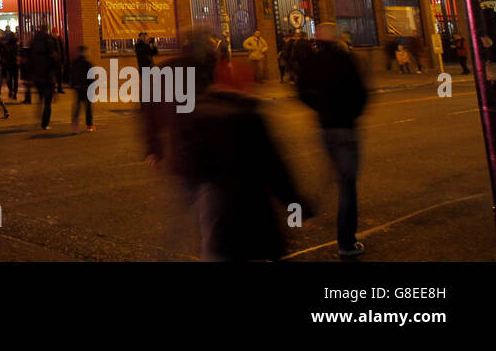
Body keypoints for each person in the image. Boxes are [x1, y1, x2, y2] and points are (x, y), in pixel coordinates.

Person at [143, 26, 312, 261]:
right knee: (209, 222)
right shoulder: (240, 113)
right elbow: (274, 167)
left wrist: (154, 148)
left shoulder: (171, 75)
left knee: (194, 223)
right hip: (227, 193)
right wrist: (298, 208)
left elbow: (149, 110)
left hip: (187, 162)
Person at [298, 21, 369, 259]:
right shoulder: (345, 59)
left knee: (334, 174)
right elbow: (361, 92)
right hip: (345, 128)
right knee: (347, 185)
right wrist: (352, 113)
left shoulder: (312, 61)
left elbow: (300, 91)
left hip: (326, 127)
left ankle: (311, 211)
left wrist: (319, 109)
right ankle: (346, 241)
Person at [30, 25, 61, 129]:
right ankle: (45, 123)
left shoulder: (34, 41)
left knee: (40, 97)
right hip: (48, 76)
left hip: (37, 75)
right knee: (48, 102)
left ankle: (38, 115)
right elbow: (54, 59)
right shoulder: (49, 41)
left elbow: (30, 58)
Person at [70, 45, 95, 133]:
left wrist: (73, 85)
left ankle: (75, 126)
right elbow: (91, 77)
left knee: (77, 107)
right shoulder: (88, 63)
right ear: (84, 52)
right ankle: (89, 125)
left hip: (78, 87)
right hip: (86, 88)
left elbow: (71, 75)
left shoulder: (74, 63)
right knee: (88, 107)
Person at [2, 29, 20, 100]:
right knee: (15, 79)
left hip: (8, 64)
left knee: (9, 78)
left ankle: (10, 90)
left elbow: (4, 55)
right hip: (15, 64)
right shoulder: (17, 46)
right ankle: (15, 93)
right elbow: (18, 55)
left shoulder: (6, 45)